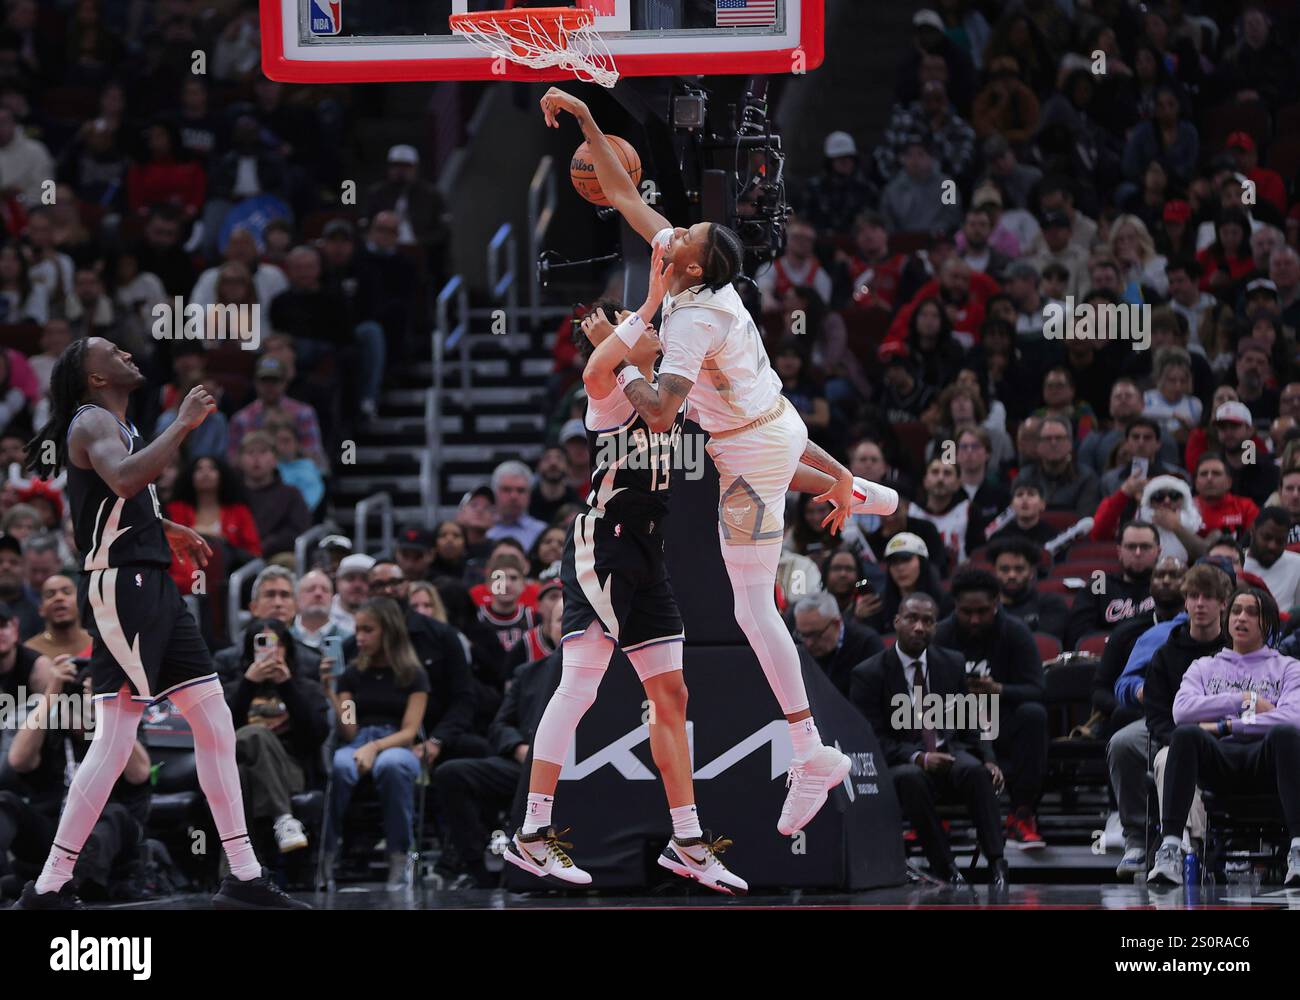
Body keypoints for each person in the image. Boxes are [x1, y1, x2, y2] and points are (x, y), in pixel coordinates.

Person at [539, 87, 900, 838]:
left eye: (684, 236)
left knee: (749, 606)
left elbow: (664, 411)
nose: (668, 234)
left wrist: (613, 347)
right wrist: (584, 119)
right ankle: (858, 489)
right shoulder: (694, 272)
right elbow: (616, 188)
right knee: (776, 460)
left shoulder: (695, 316)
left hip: (750, 450)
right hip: (769, 427)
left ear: (693, 266)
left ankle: (810, 751)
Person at [15, 337, 306, 909]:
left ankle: (244, 877)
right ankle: (49, 886)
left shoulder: (115, 424)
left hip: (151, 582)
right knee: (117, 737)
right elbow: (123, 479)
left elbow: (114, 501)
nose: (125, 353)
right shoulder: (93, 420)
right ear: (93, 378)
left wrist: (163, 526)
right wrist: (184, 424)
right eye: (110, 352)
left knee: (216, 721)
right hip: (123, 587)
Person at [505, 265, 746, 892]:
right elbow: (594, 367)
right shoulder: (609, 388)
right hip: (603, 543)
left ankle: (688, 841)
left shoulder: (665, 388)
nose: (658, 332)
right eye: (641, 329)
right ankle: (532, 833)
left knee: (672, 696)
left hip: (648, 550)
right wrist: (646, 301)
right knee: (580, 684)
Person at [850, 593, 1009, 889]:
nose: (919, 627)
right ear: (897, 622)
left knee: (976, 771)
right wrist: (920, 758)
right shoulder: (869, 673)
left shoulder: (951, 662)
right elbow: (871, 739)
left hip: (947, 751)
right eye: (912, 618)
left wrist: (989, 758)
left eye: (928, 620)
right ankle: (945, 866)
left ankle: (998, 862)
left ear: (936, 626)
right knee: (911, 778)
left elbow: (970, 720)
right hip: (900, 761)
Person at [1148, 587, 1300, 888]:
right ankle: (1170, 848)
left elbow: (1292, 717)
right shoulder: (1204, 667)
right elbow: (1182, 712)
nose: (1242, 618)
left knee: (1286, 734)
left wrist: (1225, 726)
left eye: (1252, 612)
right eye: (1236, 611)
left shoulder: (1288, 667)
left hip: (1265, 761)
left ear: (1267, 623)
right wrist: (1244, 699)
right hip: (1218, 762)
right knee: (1186, 734)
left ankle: (1298, 847)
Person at [1106, 562, 1230, 876]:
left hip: (1222, 734)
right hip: (1168, 730)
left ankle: (1184, 843)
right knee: (1123, 743)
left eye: (1209, 596)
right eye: (1193, 596)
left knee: (1176, 756)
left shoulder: (1234, 647)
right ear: (1185, 601)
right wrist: (1176, 738)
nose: (1200, 603)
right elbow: (1155, 709)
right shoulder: (1164, 649)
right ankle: (1138, 837)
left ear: (1223, 603)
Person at [933, 569, 1048, 849]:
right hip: (956, 722)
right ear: (955, 607)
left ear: (996, 603)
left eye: (983, 611)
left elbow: (1038, 689)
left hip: (1002, 719)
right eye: (966, 611)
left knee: (1034, 715)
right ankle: (934, 815)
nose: (974, 619)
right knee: (922, 718)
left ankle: (1022, 815)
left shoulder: (1015, 632)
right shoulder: (941, 634)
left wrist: (1000, 689)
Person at [320, 598, 428, 891]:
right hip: (359, 738)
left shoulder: (413, 675)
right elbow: (349, 728)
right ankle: (327, 857)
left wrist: (375, 747)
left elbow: (409, 731)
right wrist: (334, 693)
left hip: (397, 742)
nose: (359, 637)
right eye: (357, 630)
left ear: (388, 631)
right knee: (341, 766)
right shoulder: (352, 674)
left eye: (368, 630)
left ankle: (400, 857)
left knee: (392, 765)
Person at [222, 617, 329, 857]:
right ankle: (283, 821)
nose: (271, 650)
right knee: (241, 774)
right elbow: (221, 734)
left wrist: (287, 686)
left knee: (256, 736)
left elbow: (316, 736)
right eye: (262, 643)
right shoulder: (234, 687)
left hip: (290, 771)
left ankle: (234, 870)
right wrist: (248, 684)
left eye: (277, 643)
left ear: (287, 648)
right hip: (244, 771)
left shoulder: (306, 687)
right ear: (251, 648)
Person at [1065, 521, 1160, 650]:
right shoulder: (1099, 585)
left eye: (1145, 547)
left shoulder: (1169, 588)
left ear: (1158, 551)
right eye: (1131, 547)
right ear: (1119, 551)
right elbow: (1079, 635)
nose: (1138, 553)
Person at [792, 592, 884, 699]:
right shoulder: (797, 642)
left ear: (837, 623)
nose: (809, 643)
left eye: (815, 635)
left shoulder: (866, 644)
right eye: (803, 635)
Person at [1015, 415, 1101, 516]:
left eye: (1059, 438)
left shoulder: (1086, 478)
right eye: (1047, 438)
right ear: (1038, 445)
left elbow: (1085, 519)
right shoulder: (1025, 477)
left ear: (1070, 443)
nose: (1053, 443)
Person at [989, 537, 1067, 640]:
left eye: (1019, 569)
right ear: (995, 572)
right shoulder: (986, 609)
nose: (1012, 575)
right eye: (1005, 569)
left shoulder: (1051, 604)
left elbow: (1045, 644)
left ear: (1031, 572)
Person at [22, 573, 91, 662]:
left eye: (67, 592)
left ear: (80, 602)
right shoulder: (29, 652)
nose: (59, 597)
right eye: (50, 594)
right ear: (40, 609)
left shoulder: (98, 643)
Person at [1244, 507, 1300, 611]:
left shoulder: (1297, 565)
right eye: (1267, 537)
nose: (1272, 546)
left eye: (1280, 541)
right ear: (1252, 530)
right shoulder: (1234, 564)